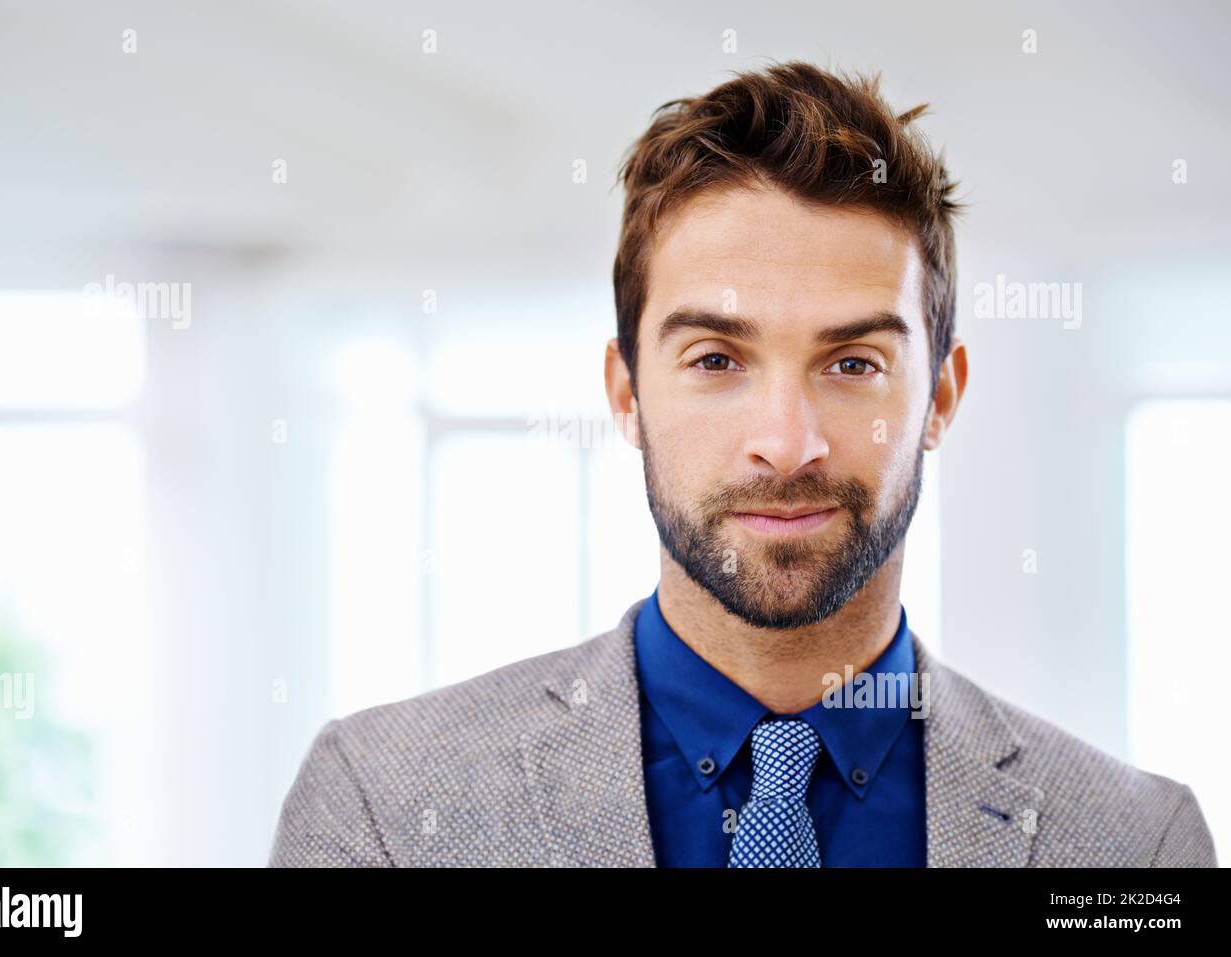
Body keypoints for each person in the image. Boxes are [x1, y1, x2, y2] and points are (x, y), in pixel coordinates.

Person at [269, 60, 1217, 867]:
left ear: (939, 397)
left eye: (853, 364)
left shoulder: (1135, 845)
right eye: (716, 360)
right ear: (627, 392)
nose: (787, 441)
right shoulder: (384, 810)